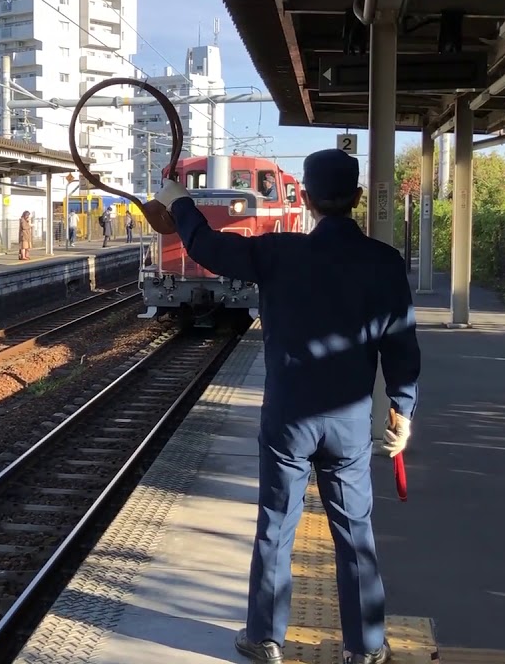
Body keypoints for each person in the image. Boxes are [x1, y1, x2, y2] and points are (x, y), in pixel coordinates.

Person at [152, 148, 420, 664]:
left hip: (288, 418)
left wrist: (180, 201)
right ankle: (365, 647)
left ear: (309, 200)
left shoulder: (279, 253)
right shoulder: (384, 263)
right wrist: (403, 409)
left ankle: (264, 638)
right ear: (357, 197)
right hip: (349, 423)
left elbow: (207, 246)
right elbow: (401, 346)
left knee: (276, 526)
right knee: (355, 534)